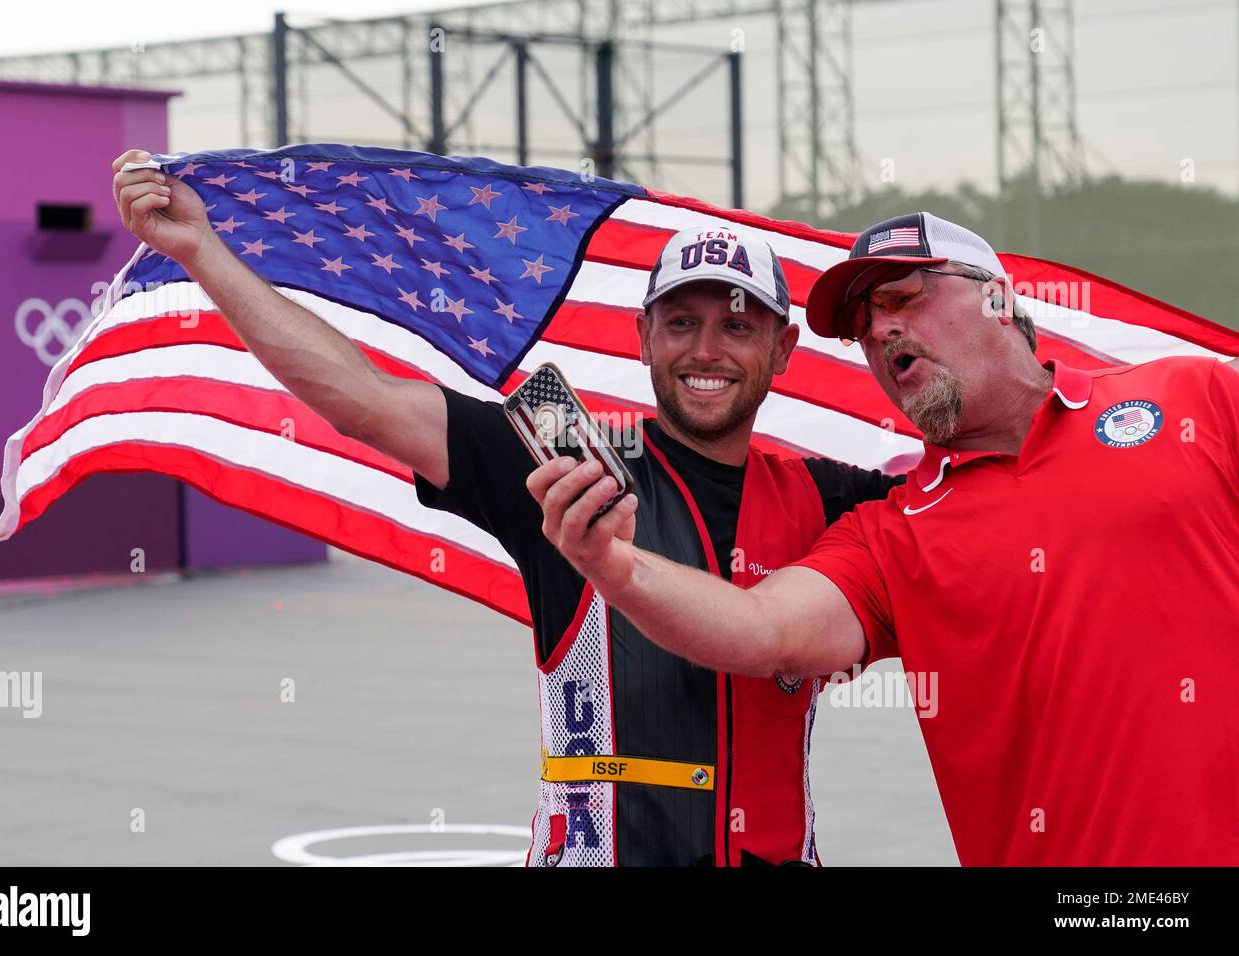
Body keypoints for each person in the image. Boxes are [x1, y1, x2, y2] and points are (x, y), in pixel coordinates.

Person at [111, 148, 902, 867]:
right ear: (642, 335)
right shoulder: (574, 455)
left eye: (738, 325)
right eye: (682, 323)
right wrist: (201, 252)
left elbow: (977, 504)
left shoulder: (833, 497)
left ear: (784, 349)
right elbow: (361, 399)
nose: (706, 351)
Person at [529, 211, 1239, 866]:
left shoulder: (1195, 399)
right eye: (863, 324)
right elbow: (759, 628)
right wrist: (615, 568)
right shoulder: (893, 532)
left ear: (995, 296)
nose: (879, 331)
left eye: (901, 298)